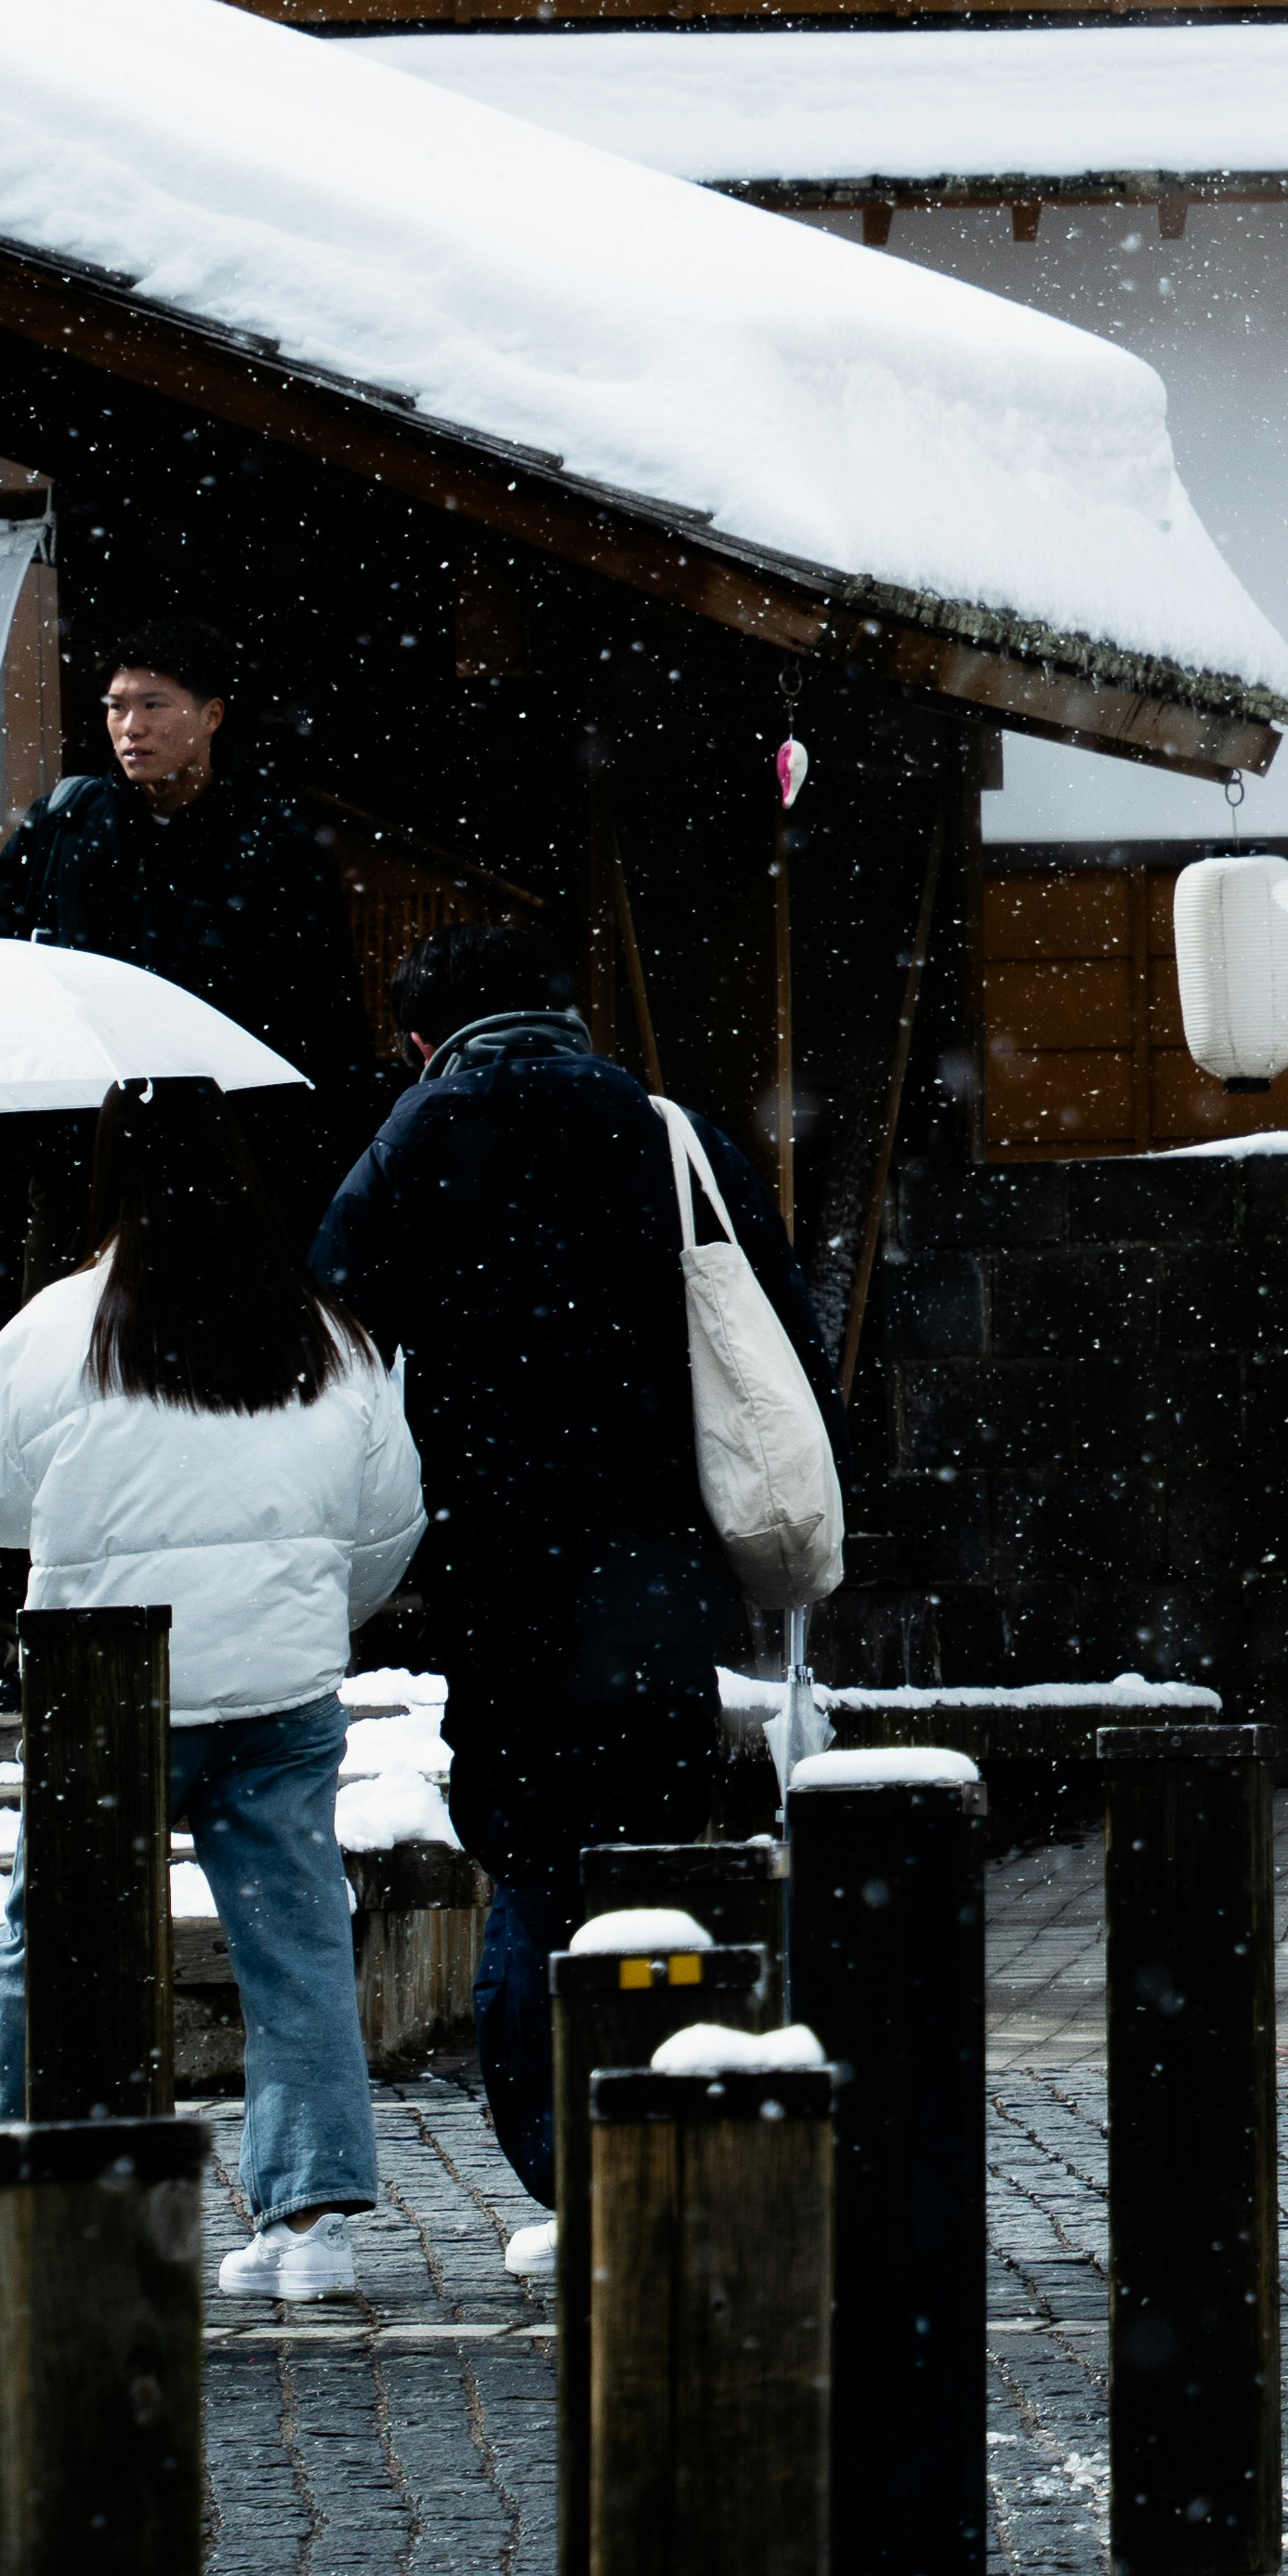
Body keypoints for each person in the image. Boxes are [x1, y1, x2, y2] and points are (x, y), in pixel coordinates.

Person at [312, 913, 807, 2248]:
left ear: (426, 1037)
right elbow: (779, 1320)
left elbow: (332, 1323)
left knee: (532, 1854)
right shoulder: (665, 1130)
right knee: (652, 1840)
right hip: (658, 1563)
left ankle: (565, 2170)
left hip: (501, 1566)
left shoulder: (418, 1135)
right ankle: (665, 2118)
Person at [0, 1077, 422, 2301]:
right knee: (296, 1942)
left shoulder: (56, 1328)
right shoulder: (326, 1331)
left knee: (50, 1941)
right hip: (280, 1688)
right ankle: (312, 2221)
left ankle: (11, 2177)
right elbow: (383, 1528)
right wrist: (303, 1610)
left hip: (104, 1685)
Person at [0, 617, 376, 1148]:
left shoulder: (276, 845)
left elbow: (325, 1013)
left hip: (227, 1134)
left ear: (211, 715)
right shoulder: (66, 821)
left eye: (153, 705)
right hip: (79, 1132)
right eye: (116, 706)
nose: (130, 726)